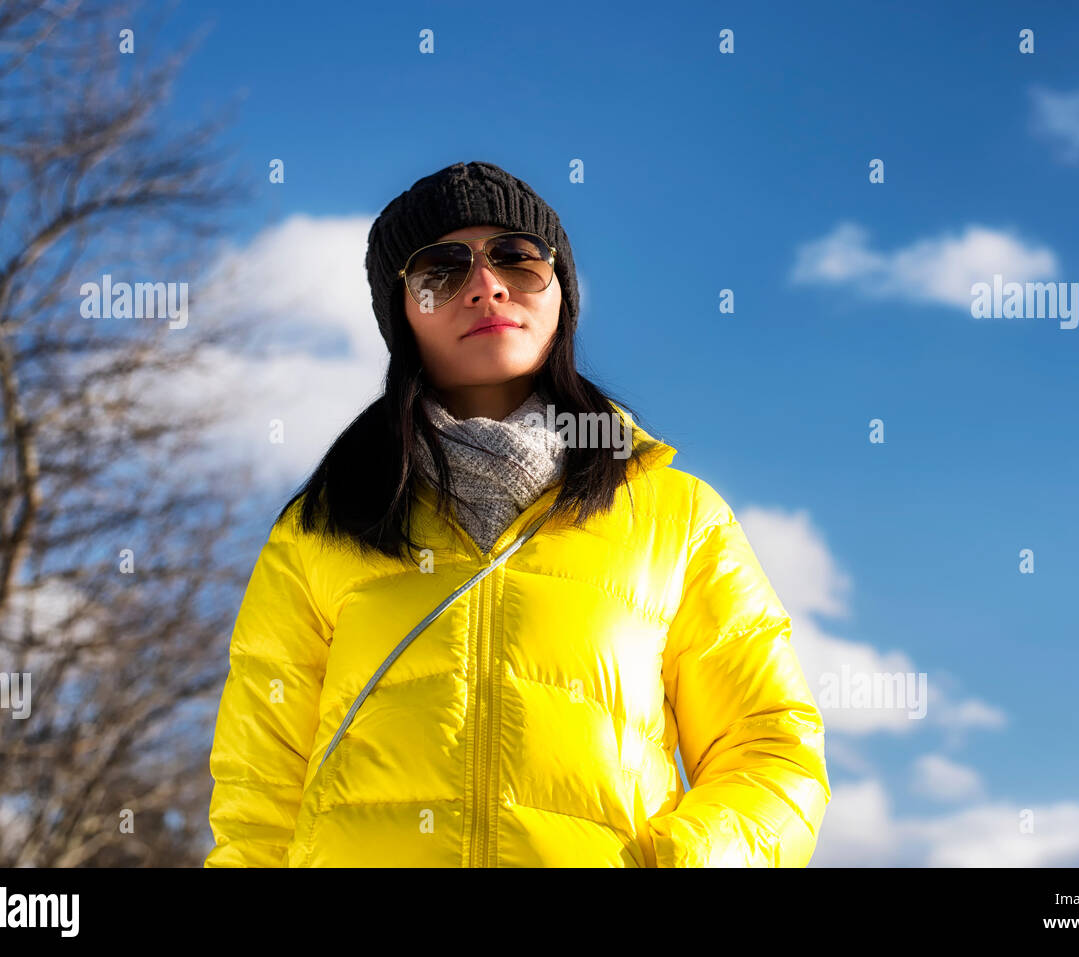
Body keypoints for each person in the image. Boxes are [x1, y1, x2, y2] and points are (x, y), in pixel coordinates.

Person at [204, 160, 831, 867]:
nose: (486, 284)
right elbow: (257, 803)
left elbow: (771, 752)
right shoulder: (320, 528)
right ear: (402, 312)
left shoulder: (678, 519)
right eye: (440, 269)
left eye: (519, 258)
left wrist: (679, 861)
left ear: (561, 290)